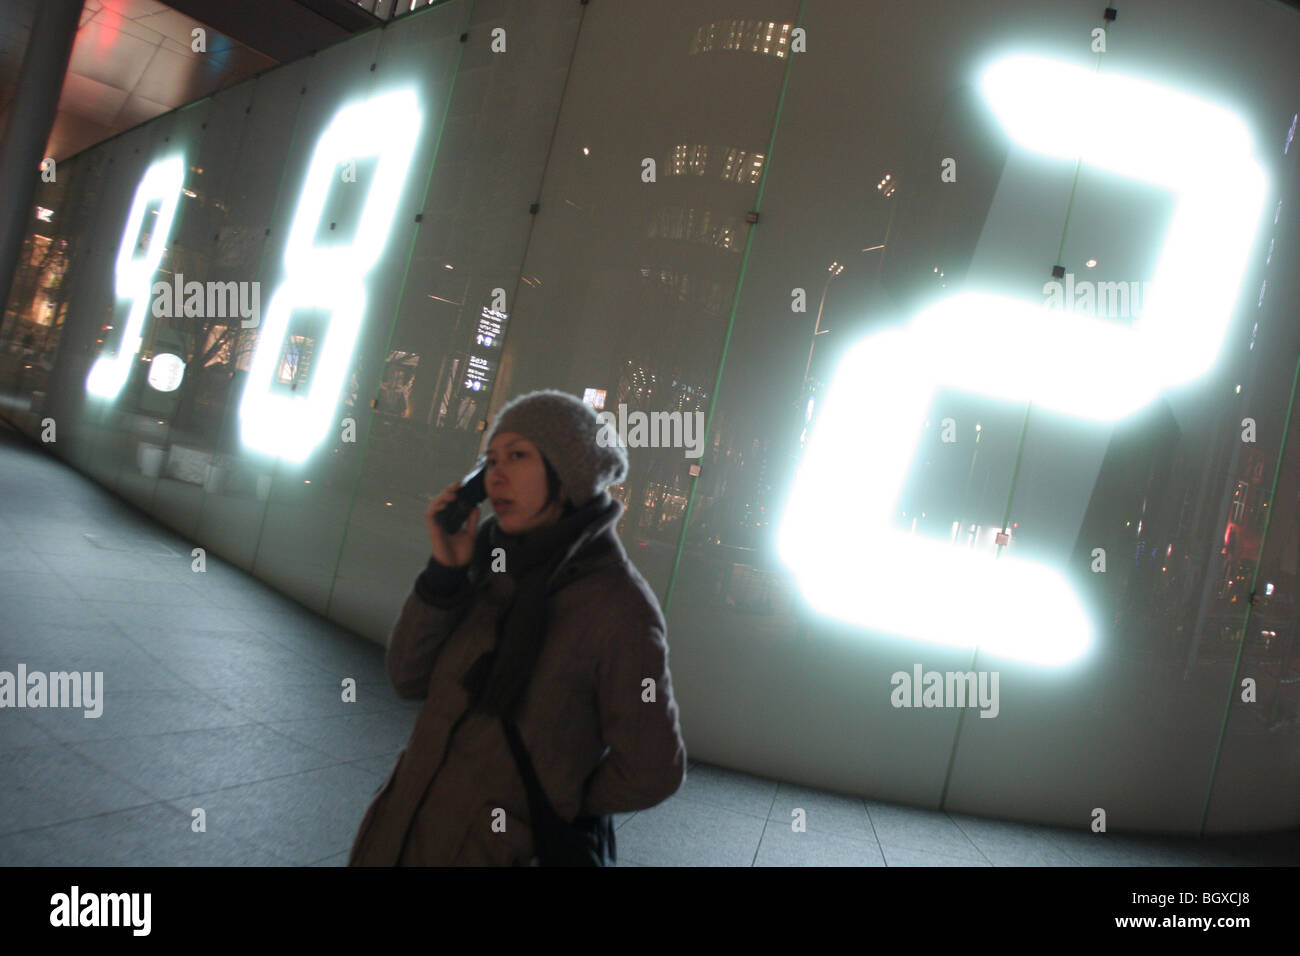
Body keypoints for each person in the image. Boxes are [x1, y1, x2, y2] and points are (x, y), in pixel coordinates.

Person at [348, 389, 687, 866]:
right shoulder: (487, 566)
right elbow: (406, 677)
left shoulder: (618, 608)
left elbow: (654, 768)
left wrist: (558, 796)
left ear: (568, 476)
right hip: (400, 836)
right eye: (490, 459)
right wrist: (444, 576)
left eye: (518, 455)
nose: (496, 475)